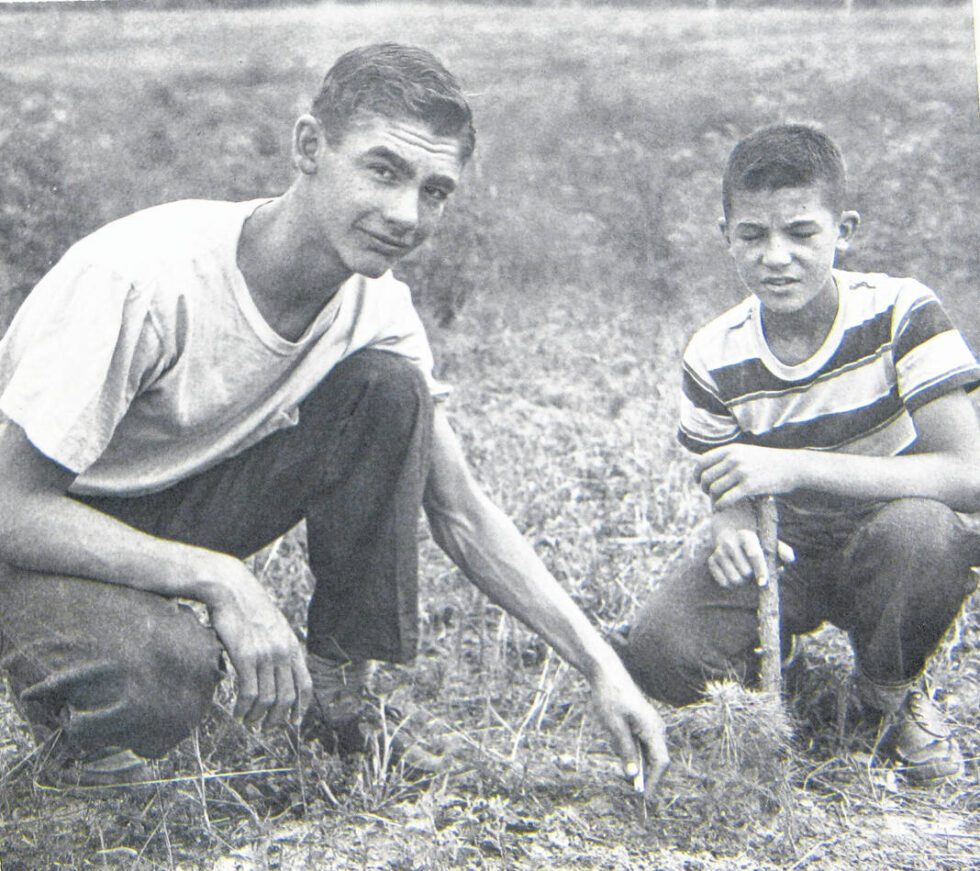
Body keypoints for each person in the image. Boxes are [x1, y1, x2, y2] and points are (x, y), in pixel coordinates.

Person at [0, 43, 668, 790]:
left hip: (160, 510)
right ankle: (83, 729)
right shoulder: (139, 280)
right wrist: (220, 580)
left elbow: (463, 512)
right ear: (309, 146)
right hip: (37, 535)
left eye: (435, 190)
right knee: (164, 676)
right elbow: (12, 506)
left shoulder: (377, 306)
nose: (405, 214)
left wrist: (600, 665)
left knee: (390, 390)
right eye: (383, 170)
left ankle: (341, 702)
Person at [619, 124, 980, 783]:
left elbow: (968, 477)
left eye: (801, 233)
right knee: (662, 651)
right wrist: (730, 521)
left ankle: (887, 692)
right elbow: (725, 477)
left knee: (927, 531)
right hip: (783, 545)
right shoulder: (714, 353)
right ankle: (784, 686)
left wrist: (797, 466)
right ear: (724, 233)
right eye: (752, 235)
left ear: (843, 230)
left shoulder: (903, 313)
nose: (776, 257)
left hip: (888, 529)